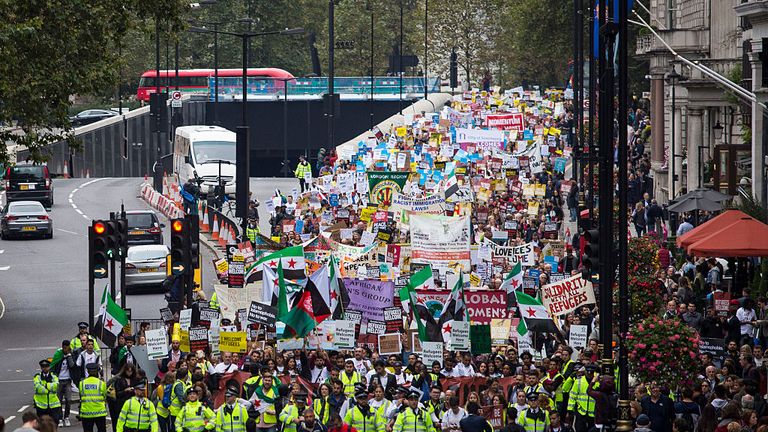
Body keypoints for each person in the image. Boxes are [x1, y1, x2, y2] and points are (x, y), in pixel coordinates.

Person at [51, 340, 78, 427]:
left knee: (68, 400)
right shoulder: (58, 354)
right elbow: (53, 366)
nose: (66, 349)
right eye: (65, 348)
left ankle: (66, 417)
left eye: (68, 347)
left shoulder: (71, 354)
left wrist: (69, 356)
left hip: (68, 381)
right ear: (62, 347)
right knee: (58, 401)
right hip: (59, 381)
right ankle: (59, 418)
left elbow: (72, 366)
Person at [79, 363, 108, 432]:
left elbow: (81, 395)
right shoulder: (101, 383)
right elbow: (105, 396)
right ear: (97, 371)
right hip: (100, 412)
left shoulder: (82, 383)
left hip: (86, 413)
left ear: (88, 371)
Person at [33, 359, 61, 425]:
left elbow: (56, 386)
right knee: (42, 424)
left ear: (49, 367)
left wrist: (45, 385)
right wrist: (49, 389)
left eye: (46, 366)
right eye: (43, 367)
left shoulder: (54, 376)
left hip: (53, 404)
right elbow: (38, 388)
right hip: (41, 405)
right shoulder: (37, 376)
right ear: (41, 368)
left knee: (55, 421)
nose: (45, 368)